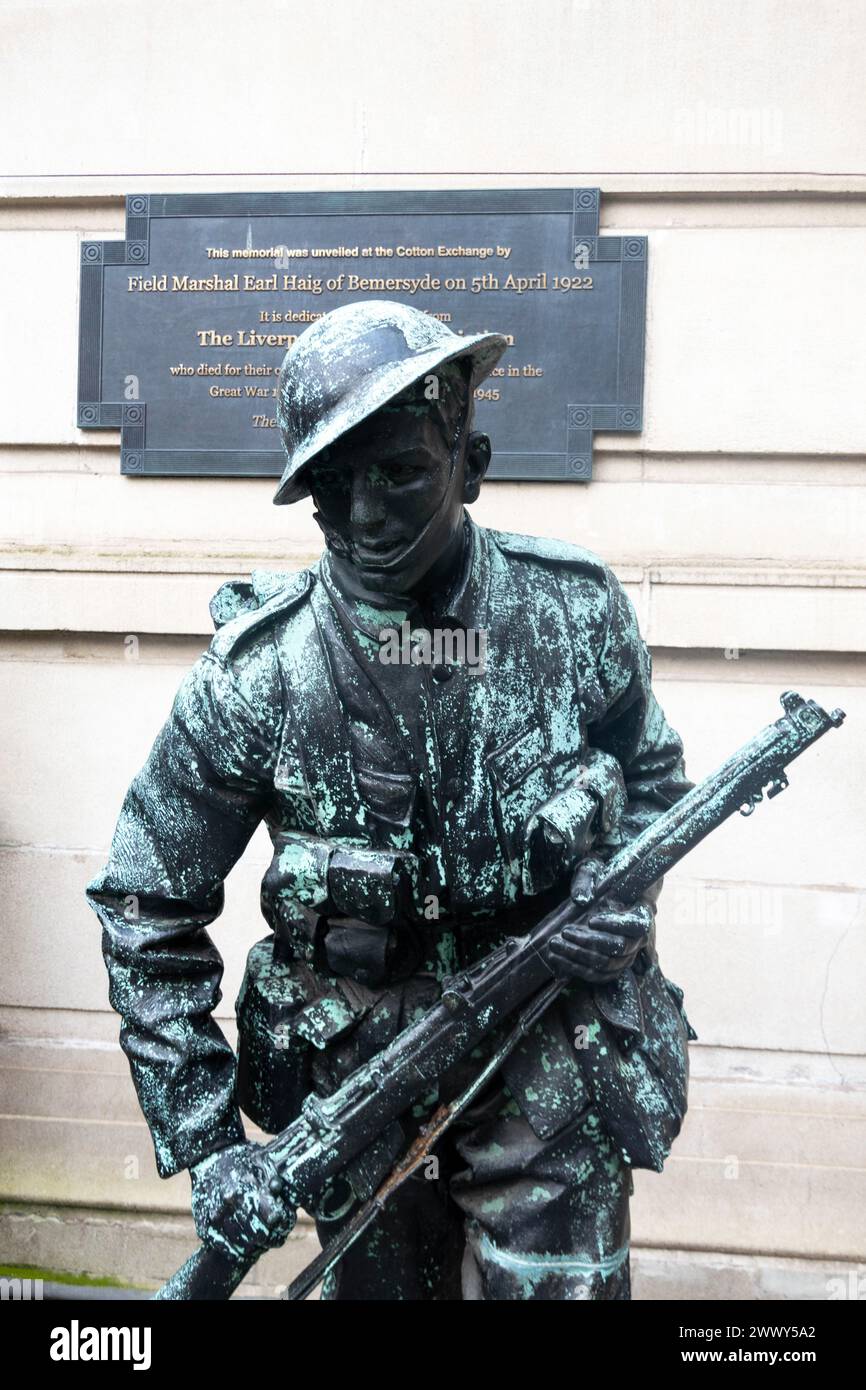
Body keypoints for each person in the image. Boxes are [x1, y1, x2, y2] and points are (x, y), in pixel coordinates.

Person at [87, 299, 696, 1300]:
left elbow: (654, 783)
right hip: (357, 1083)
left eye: (399, 472)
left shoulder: (570, 611)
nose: (363, 514)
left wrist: (617, 903)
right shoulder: (257, 674)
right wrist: (209, 1146)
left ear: (472, 462)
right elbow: (146, 902)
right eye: (330, 482)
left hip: (548, 1056)